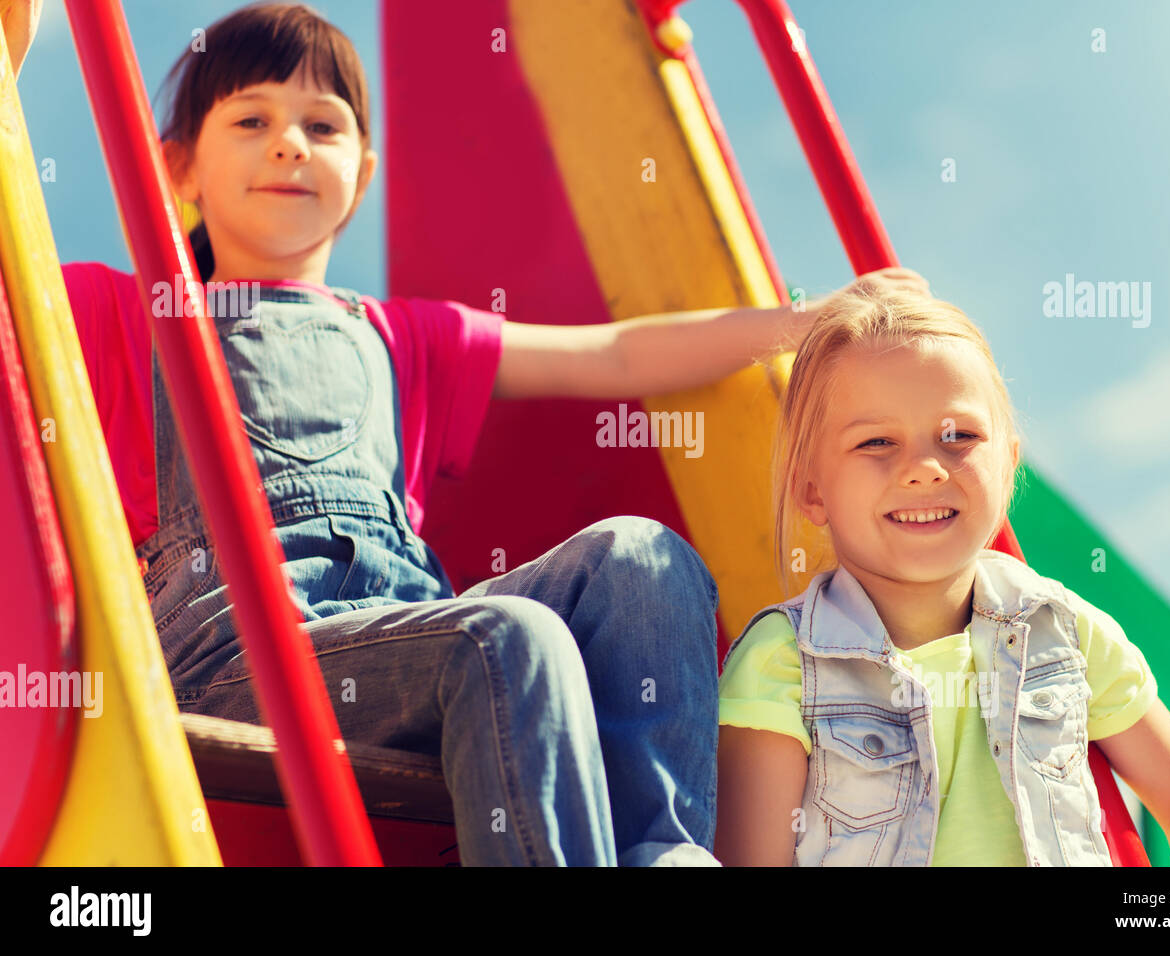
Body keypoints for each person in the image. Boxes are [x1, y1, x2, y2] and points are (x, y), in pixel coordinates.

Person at [4, 1, 930, 864]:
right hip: (232, 659)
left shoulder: (404, 337)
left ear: (361, 171)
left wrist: (803, 323)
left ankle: (663, 851)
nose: (290, 144)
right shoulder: (127, 313)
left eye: (321, 126)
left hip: (399, 633)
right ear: (177, 169)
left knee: (642, 560)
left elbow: (610, 356)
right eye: (251, 122)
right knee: (506, 638)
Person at [713, 286, 1170, 866]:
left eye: (959, 437)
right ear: (812, 489)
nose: (923, 468)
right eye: (876, 442)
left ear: (1008, 465)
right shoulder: (785, 662)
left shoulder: (1064, 632)